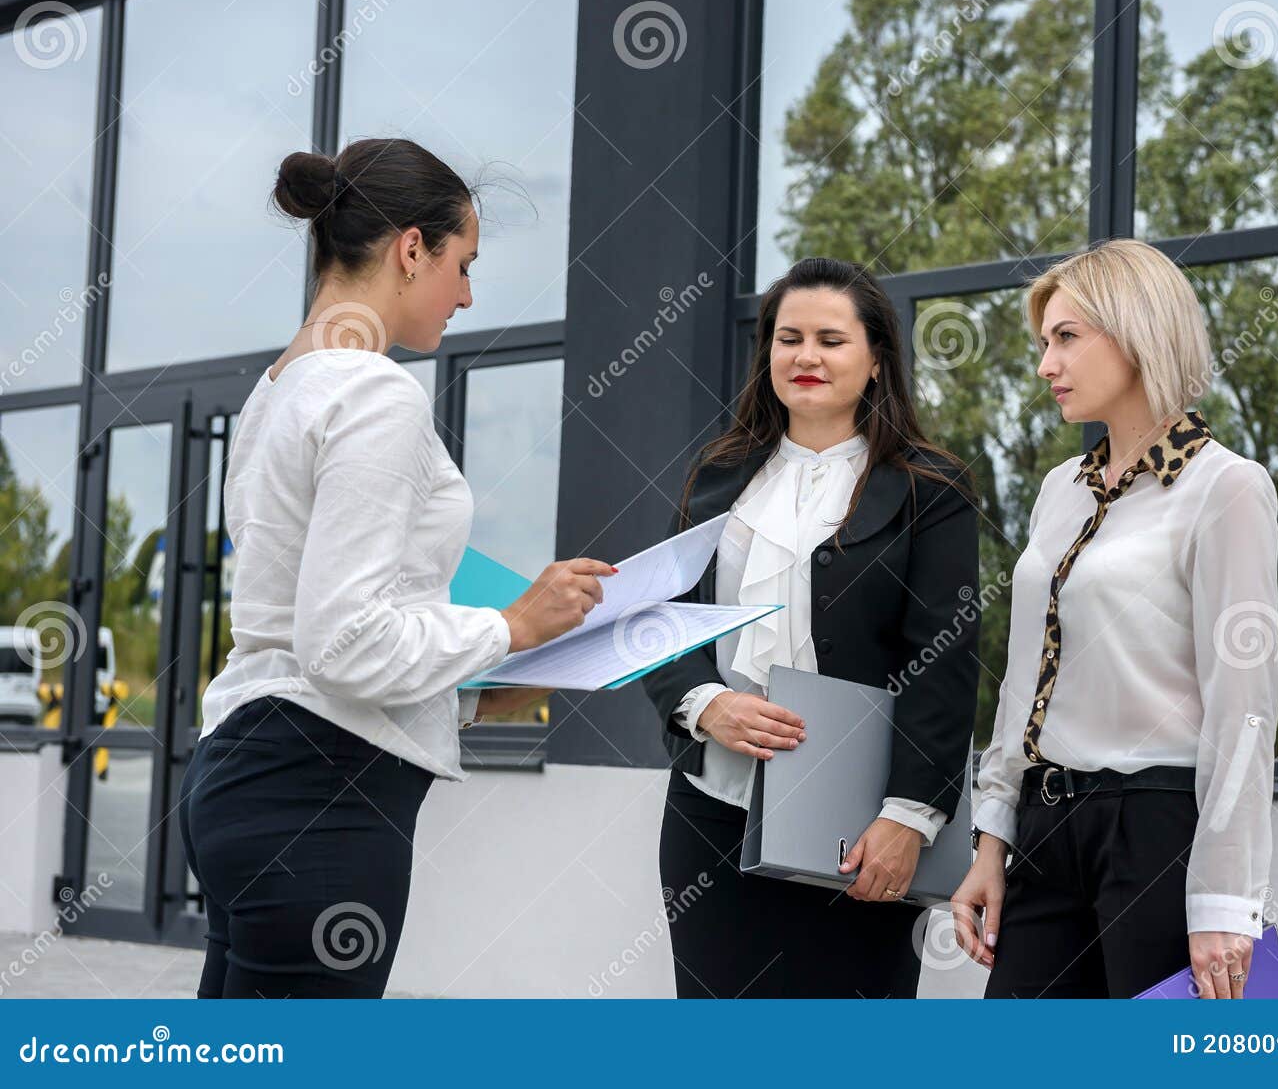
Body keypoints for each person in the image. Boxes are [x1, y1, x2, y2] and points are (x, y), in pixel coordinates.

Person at [178, 139, 613, 998]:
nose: (467, 293)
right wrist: (514, 626)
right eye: (463, 262)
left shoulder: (278, 390)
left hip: (249, 770)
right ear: (411, 248)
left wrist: (484, 680)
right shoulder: (374, 393)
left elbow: (316, 629)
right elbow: (341, 640)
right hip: (319, 797)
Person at [640, 256, 980, 998]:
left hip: (861, 821)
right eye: (788, 338)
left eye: (831, 339)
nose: (806, 357)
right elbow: (662, 622)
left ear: (876, 358)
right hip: (714, 808)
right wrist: (708, 704)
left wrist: (909, 817)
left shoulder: (931, 488)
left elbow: (946, 658)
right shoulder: (716, 475)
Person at [951, 238, 1278, 999]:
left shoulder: (1226, 487)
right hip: (1045, 826)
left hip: (1155, 829)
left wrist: (1226, 897)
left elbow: (1245, 708)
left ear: (1138, 333)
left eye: (1066, 337)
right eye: (1043, 343)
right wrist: (993, 834)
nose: (1046, 366)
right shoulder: (1060, 487)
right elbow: (1021, 682)